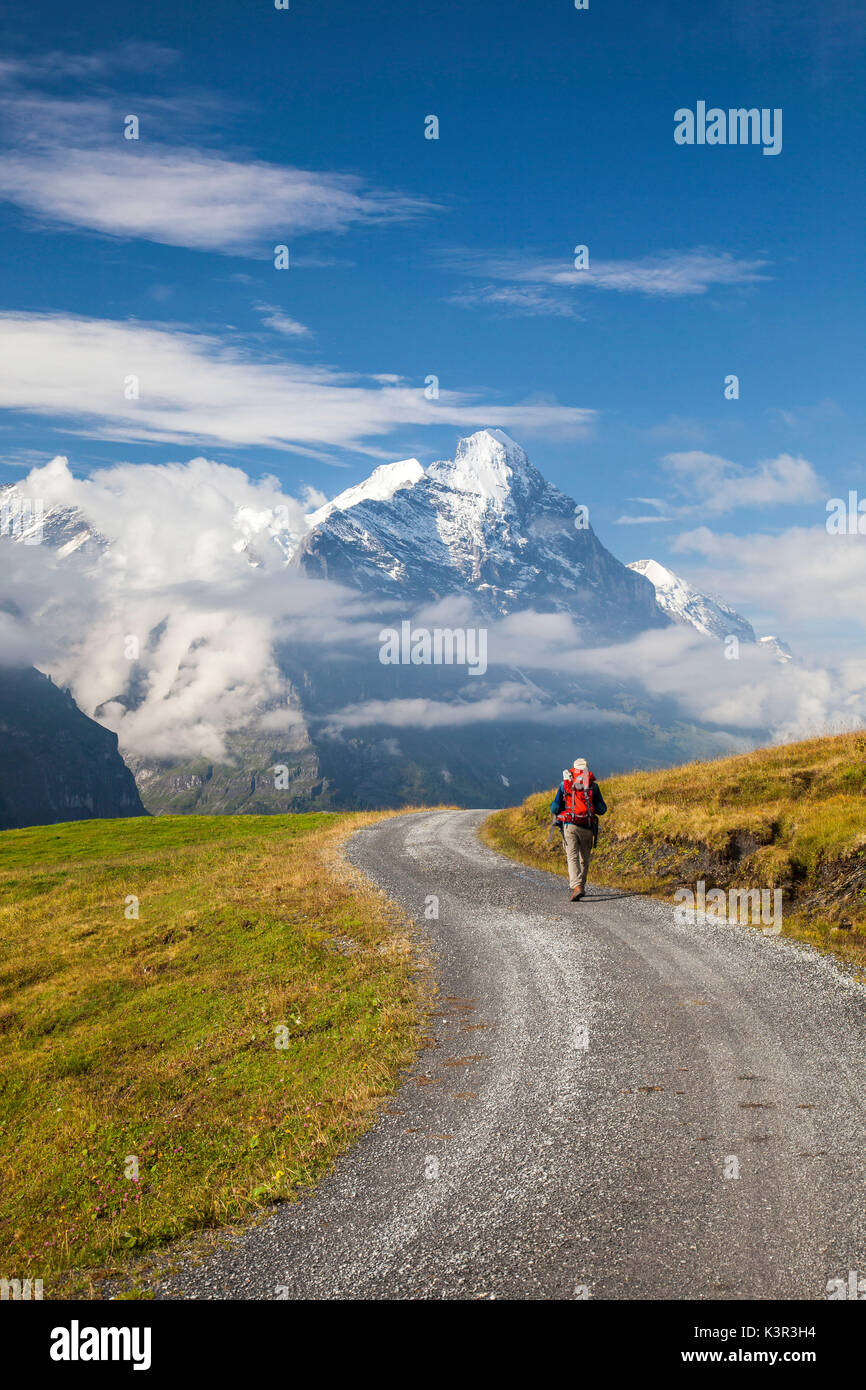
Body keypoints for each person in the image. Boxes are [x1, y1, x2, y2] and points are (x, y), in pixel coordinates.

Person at [550, 758, 607, 902]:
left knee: (572, 856)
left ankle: (576, 886)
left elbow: (555, 808)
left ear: (573, 769)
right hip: (587, 827)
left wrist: (565, 807)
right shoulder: (593, 787)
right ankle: (580, 885)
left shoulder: (565, 785)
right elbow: (602, 809)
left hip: (570, 826)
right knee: (584, 858)